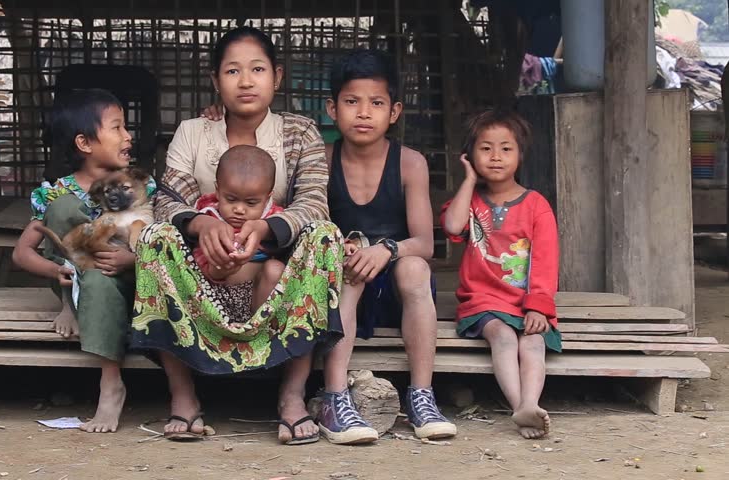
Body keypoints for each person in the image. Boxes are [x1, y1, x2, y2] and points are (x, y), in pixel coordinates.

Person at [131, 26, 343, 445]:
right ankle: (183, 395)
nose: (246, 81)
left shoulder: (300, 133)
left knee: (325, 234)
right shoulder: (194, 132)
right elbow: (169, 200)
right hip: (200, 287)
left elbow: (314, 202)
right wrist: (202, 224)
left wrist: (265, 228)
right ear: (215, 80)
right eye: (232, 71)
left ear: (277, 76)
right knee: (156, 236)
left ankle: (292, 395)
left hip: (274, 285)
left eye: (257, 69)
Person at [318, 49, 456, 444]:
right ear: (332, 108)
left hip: (396, 290)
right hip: (341, 288)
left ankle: (421, 397)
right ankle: (334, 397)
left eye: (376, 103)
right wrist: (344, 249)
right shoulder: (323, 160)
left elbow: (425, 243)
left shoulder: (409, 163)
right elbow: (313, 226)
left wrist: (386, 250)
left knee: (415, 268)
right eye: (351, 102)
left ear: (394, 112)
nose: (364, 113)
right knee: (350, 270)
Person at [12, 89, 155, 433]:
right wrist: (55, 271)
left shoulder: (137, 185)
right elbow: (22, 253)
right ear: (85, 143)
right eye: (117, 128)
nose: (128, 136)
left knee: (109, 265)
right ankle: (74, 314)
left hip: (123, 276)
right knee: (64, 212)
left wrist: (130, 259)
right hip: (74, 279)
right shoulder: (54, 193)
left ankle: (110, 385)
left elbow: (155, 241)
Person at [441, 108, 560, 439]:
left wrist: (538, 304)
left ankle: (530, 404)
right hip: (482, 301)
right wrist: (467, 180)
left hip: (526, 301)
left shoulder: (537, 205)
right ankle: (518, 406)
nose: (496, 157)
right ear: (470, 154)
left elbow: (546, 259)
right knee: (505, 337)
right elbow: (452, 226)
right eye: (485, 148)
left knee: (533, 342)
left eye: (506, 148)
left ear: (520, 155)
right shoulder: (471, 202)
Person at [192, 145, 284, 319]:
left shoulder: (274, 219)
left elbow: (292, 244)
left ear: (267, 198)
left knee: (275, 269)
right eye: (231, 199)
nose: (239, 209)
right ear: (218, 191)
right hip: (215, 299)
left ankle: (260, 332)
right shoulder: (210, 216)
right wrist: (218, 269)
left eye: (251, 203)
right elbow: (198, 259)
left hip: (258, 299)